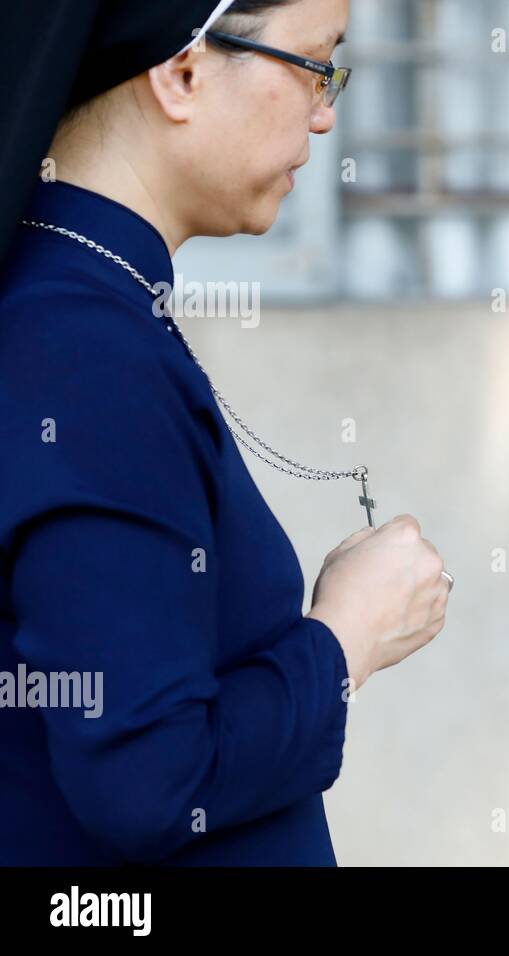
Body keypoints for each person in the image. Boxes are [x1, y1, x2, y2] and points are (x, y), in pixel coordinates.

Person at [0, 0, 450, 865]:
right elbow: (146, 779)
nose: (325, 111)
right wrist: (346, 637)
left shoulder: (85, 301)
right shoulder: (80, 346)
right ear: (184, 71)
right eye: (315, 64)